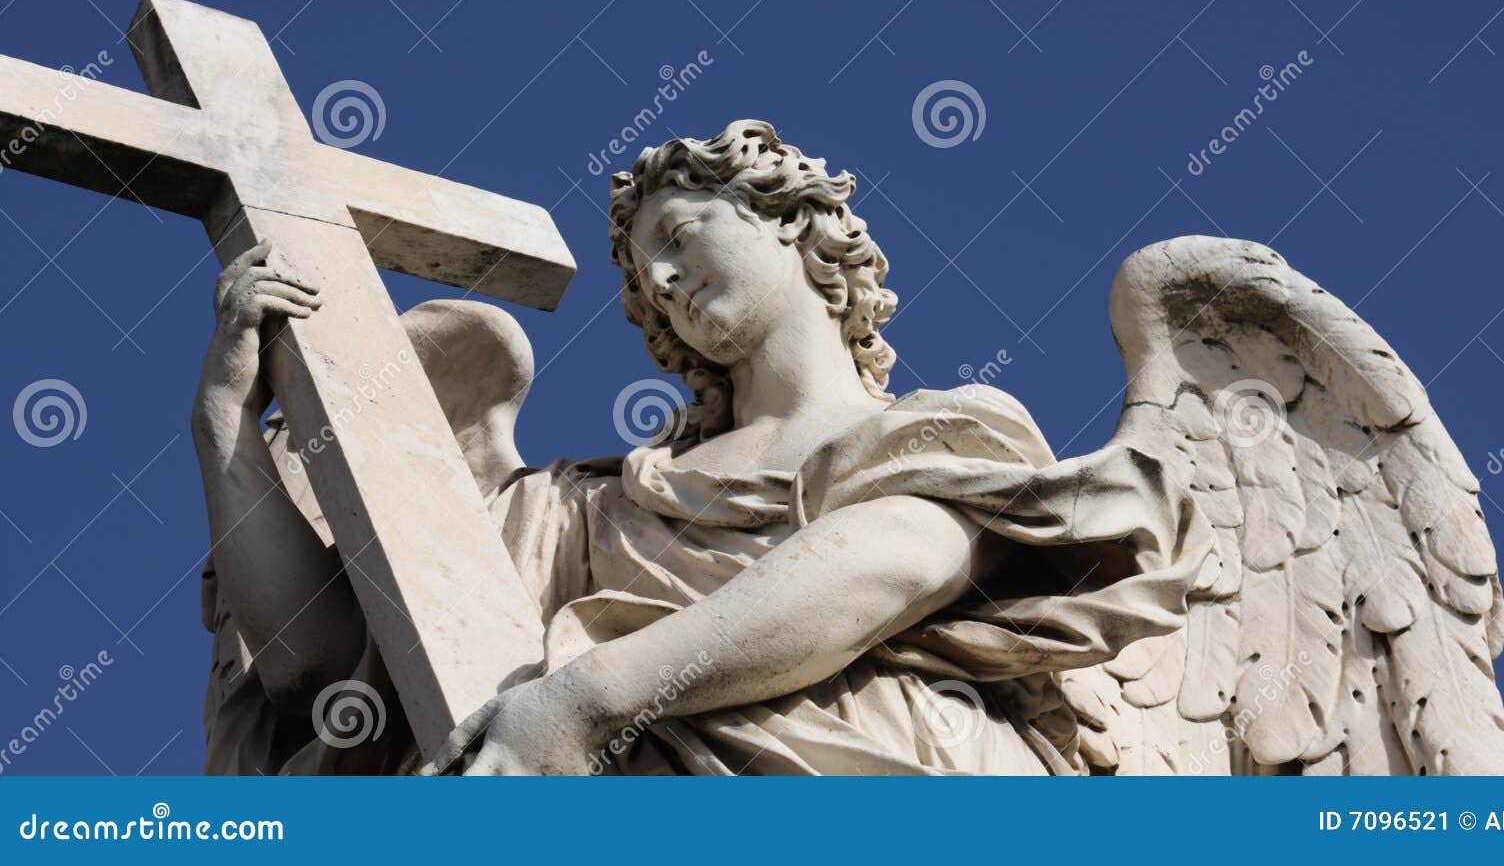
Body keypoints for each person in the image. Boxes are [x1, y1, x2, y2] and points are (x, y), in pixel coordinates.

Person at [194, 120, 1207, 775]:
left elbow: (889, 562)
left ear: (793, 225)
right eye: (646, 270)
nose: (665, 277)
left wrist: (588, 699)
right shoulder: (582, 506)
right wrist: (226, 420)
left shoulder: (939, 431)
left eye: (682, 233)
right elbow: (316, 660)